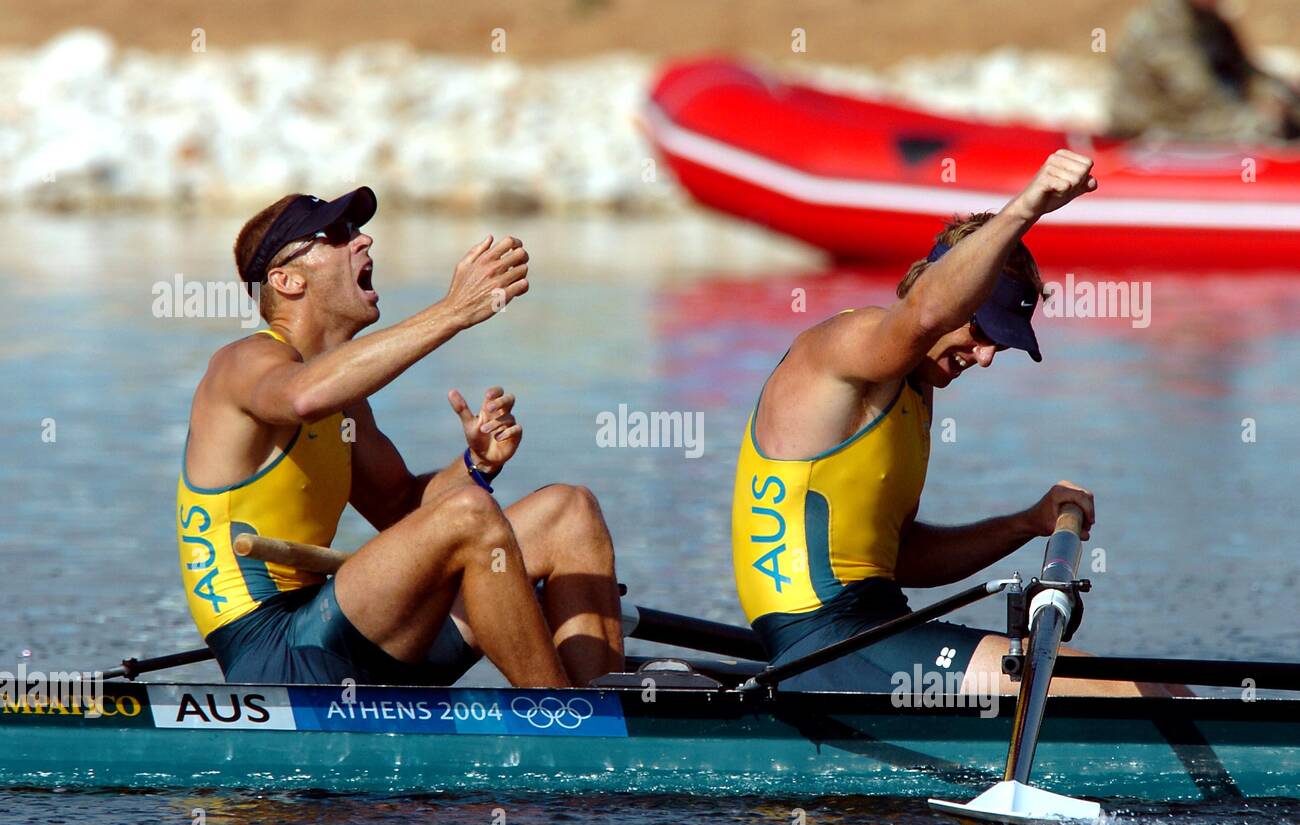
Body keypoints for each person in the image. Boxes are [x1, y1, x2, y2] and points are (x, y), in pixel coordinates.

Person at [730, 150, 1150, 695]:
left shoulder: (914, 388)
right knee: (1118, 691)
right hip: (824, 641)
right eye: (982, 332)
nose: (987, 357)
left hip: (872, 630)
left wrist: (1028, 522)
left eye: (1001, 343)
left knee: (1155, 690)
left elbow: (903, 556)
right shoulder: (849, 346)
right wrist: (1028, 207)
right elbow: (927, 313)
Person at [177, 187, 624, 688]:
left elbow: (403, 508)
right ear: (286, 279)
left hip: (351, 633)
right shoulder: (241, 364)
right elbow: (301, 398)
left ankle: (608, 715)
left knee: (569, 511)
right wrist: (455, 310)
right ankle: (561, 723)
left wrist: (475, 466)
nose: (364, 240)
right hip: (277, 650)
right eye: (339, 234)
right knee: (470, 515)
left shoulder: (346, 405)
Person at [1107, 0, 1300, 142]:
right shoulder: (1161, 26)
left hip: (1203, 120)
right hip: (1154, 132)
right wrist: (1266, 115)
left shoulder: (1211, 22)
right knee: (1266, 128)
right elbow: (1197, 98)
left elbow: (1247, 74)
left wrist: (1284, 95)